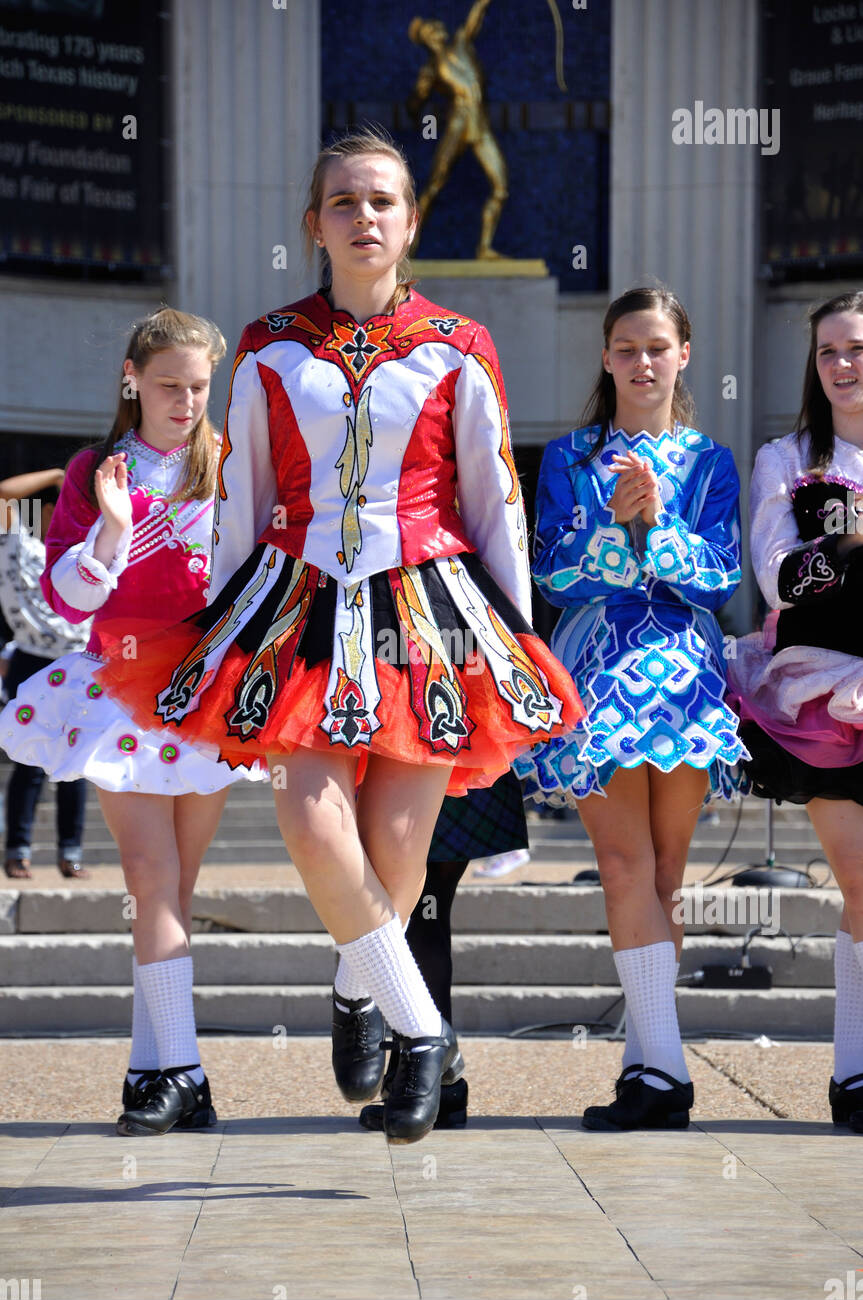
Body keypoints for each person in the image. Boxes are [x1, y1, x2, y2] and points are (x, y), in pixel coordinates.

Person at [99, 129, 582, 1144]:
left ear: (409, 221)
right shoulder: (269, 342)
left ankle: (359, 988)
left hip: (428, 612)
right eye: (345, 201)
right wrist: (213, 629)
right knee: (313, 826)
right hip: (298, 605)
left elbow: (493, 498)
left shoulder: (459, 341)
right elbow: (244, 494)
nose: (365, 217)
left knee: (399, 842)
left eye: (383, 201)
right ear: (313, 223)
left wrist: (518, 642)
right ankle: (421, 1029)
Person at [0, 307, 254, 1137]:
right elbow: (69, 599)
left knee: (175, 888)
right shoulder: (92, 469)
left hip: (206, 691)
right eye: (168, 385)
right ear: (132, 379)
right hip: (120, 684)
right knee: (150, 881)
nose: (185, 401)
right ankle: (178, 1069)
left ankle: (163, 1074)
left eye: (197, 386)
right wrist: (112, 524)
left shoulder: (233, 464)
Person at [514, 285, 746, 1131]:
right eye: (624, 347)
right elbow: (550, 576)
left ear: (682, 355)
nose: (641, 362)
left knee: (663, 878)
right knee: (620, 867)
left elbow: (719, 580)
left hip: (683, 673)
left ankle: (643, 1066)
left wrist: (658, 526)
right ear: (605, 358)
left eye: (656, 347)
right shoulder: (570, 456)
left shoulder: (712, 461)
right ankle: (670, 1074)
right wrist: (617, 530)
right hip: (599, 669)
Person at [727, 290, 863, 1136]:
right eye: (827, 353)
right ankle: (851, 1072)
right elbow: (775, 580)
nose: (843, 365)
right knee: (860, 885)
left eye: (855, 348)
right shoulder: (786, 457)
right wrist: (848, 547)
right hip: (823, 695)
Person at [331, 768, 530, 1130]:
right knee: (427, 909)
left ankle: (426, 1076)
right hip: (460, 744)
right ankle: (434, 1080)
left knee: (405, 908)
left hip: (409, 753)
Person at [0, 470, 92, 878]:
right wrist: (60, 475)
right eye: (65, 510)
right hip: (33, 661)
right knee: (30, 762)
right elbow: (3, 493)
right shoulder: (20, 546)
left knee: (76, 763)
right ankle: (17, 851)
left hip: (79, 664)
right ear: (51, 511)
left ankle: (70, 853)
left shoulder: (92, 558)